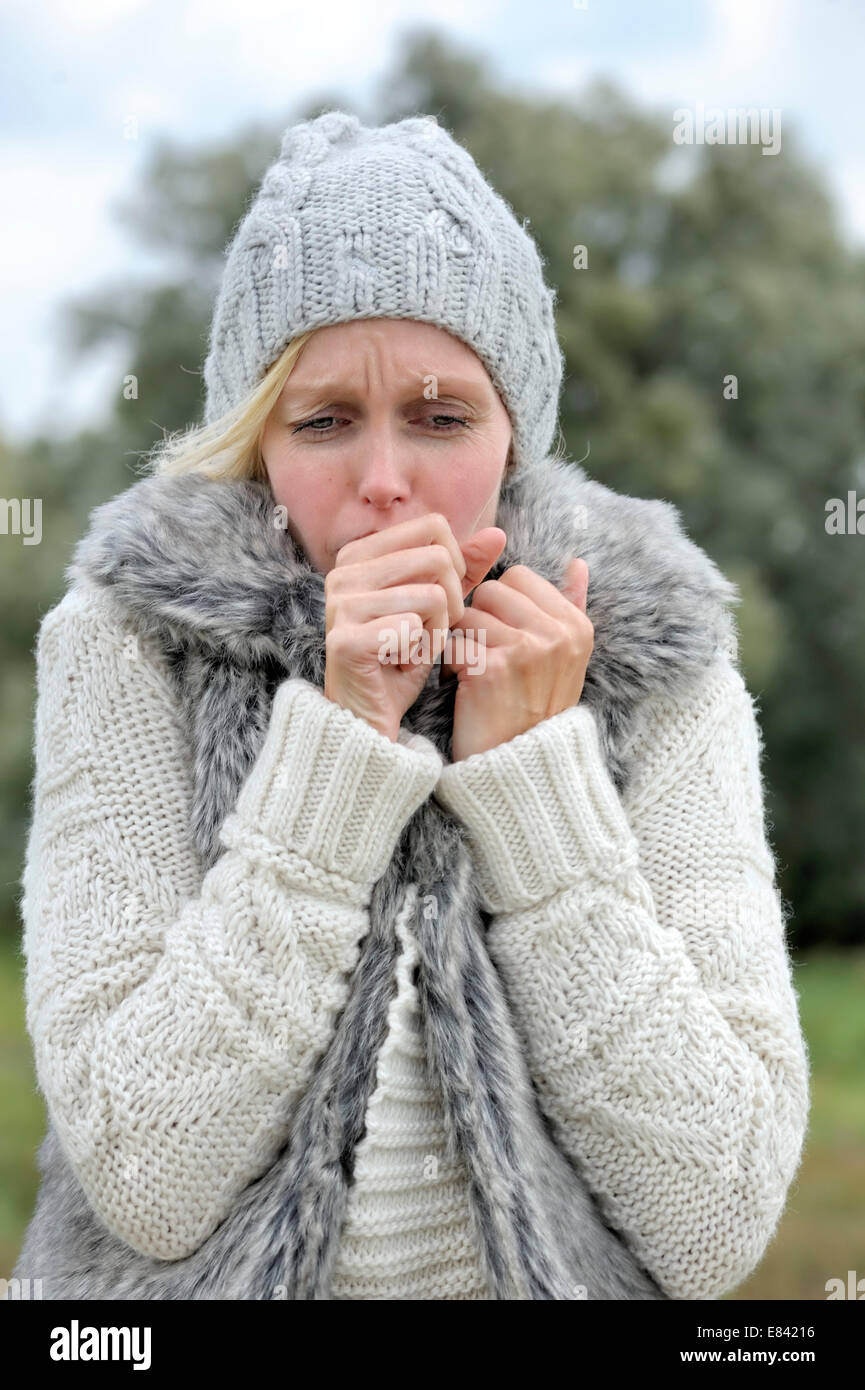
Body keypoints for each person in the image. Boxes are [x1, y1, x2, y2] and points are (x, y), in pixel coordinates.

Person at [9, 110, 809, 1302]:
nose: (384, 482)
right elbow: (143, 1176)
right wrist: (337, 743)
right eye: (324, 420)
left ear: (513, 436)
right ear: (256, 441)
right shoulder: (130, 637)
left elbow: (715, 1223)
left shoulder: (656, 655)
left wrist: (536, 778)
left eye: (440, 418)